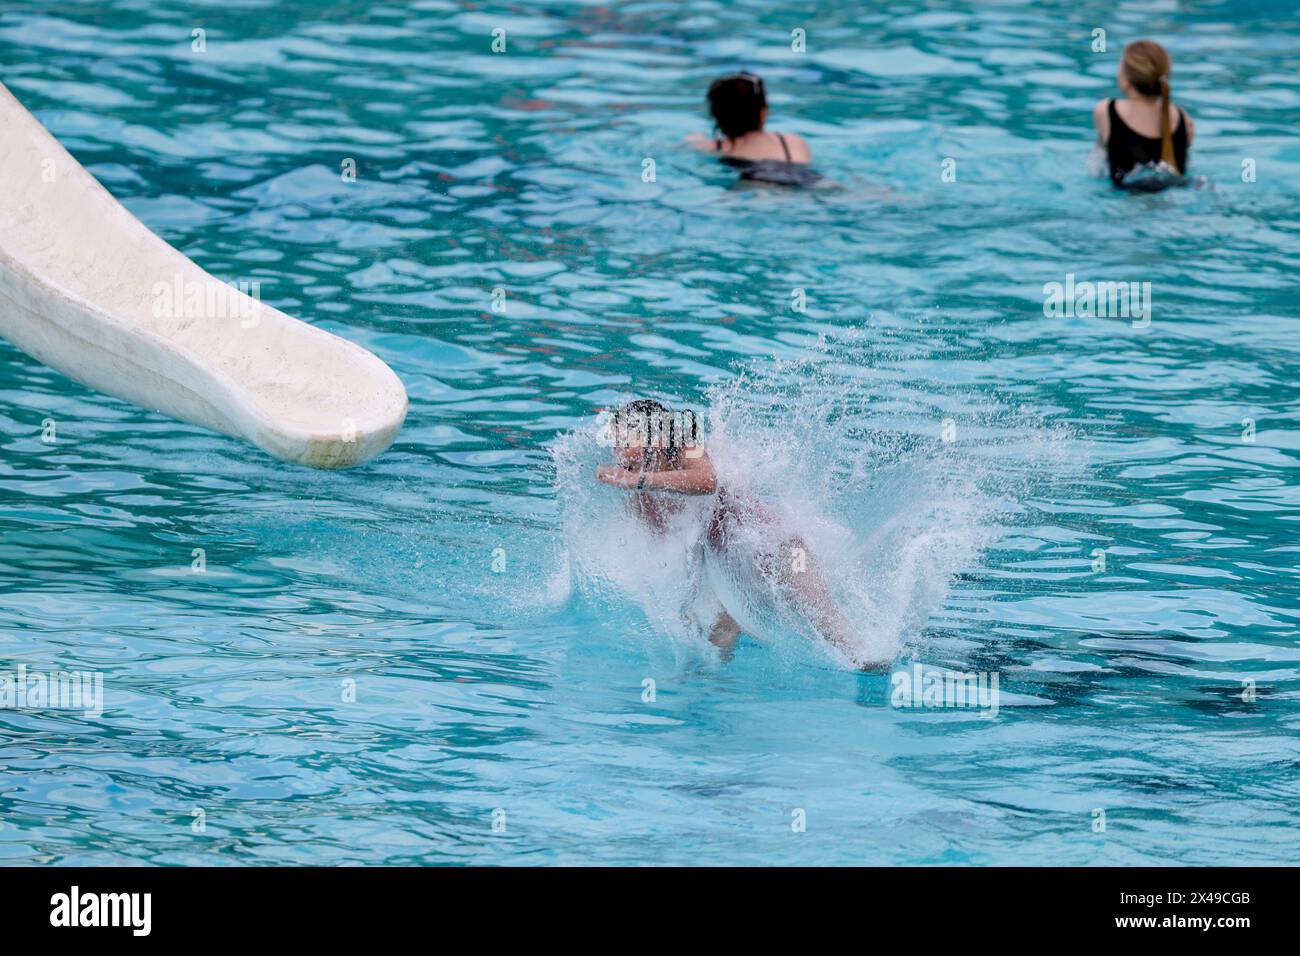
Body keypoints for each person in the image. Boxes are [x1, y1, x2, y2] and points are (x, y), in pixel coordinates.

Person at [595, 399, 880, 669]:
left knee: (819, 610)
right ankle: (707, 695)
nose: (618, 452)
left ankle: (866, 658)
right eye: (616, 442)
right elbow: (664, 543)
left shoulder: (687, 446)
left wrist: (641, 481)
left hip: (773, 546)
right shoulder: (636, 486)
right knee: (714, 641)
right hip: (727, 569)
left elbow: (706, 482)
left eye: (626, 442)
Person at [1092, 40, 1195, 191]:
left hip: (1125, 204)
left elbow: (1097, 166)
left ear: (1126, 80)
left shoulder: (1106, 111)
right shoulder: (1183, 118)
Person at [687, 73, 819, 186]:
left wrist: (695, 139)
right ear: (763, 113)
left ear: (717, 115)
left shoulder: (716, 146)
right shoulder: (793, 142)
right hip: (804, 178)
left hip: (755, 179)